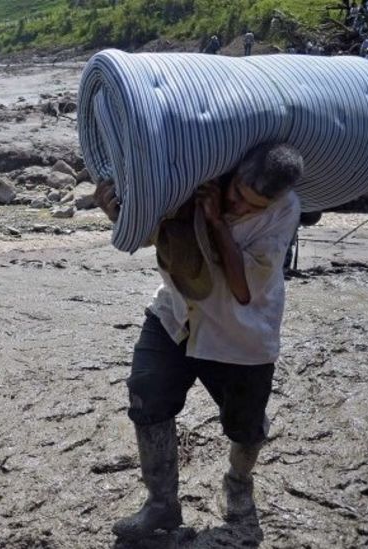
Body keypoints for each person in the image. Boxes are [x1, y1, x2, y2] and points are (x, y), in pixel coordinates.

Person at [94, 143, 304, 539]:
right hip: (176, 314)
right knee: (147, 393)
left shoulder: (284, 211)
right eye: (237, 193)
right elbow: (147, 235)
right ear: (233, 173)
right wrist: (119, 216)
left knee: (245, 426)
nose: (239, 205)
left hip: (240, 335)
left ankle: (238, 483)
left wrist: (219, 223)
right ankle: (161, 505)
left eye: (252, 205)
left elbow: (243, 290)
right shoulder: (193, 177)